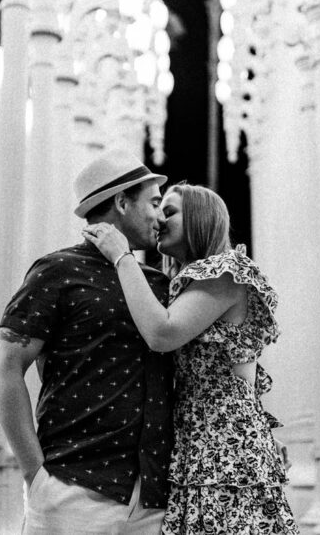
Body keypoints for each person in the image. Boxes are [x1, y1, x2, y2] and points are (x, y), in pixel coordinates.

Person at [83, 183, 299, 535]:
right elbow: (238, 368)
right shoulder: (183, 283)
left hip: (223, 448)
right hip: (195, 442)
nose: (158, 219)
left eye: (169, 211)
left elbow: (162, 334)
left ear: (200, 219)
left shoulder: (226, 271)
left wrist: (123, 257)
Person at [0, 151, 174, 535]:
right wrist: (35, 475)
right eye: (154, 203)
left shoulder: (158, 284)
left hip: (154, 498)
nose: (161, 217)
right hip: (72, 490)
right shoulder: (57, 271)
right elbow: (6, 370)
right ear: (122, 202)